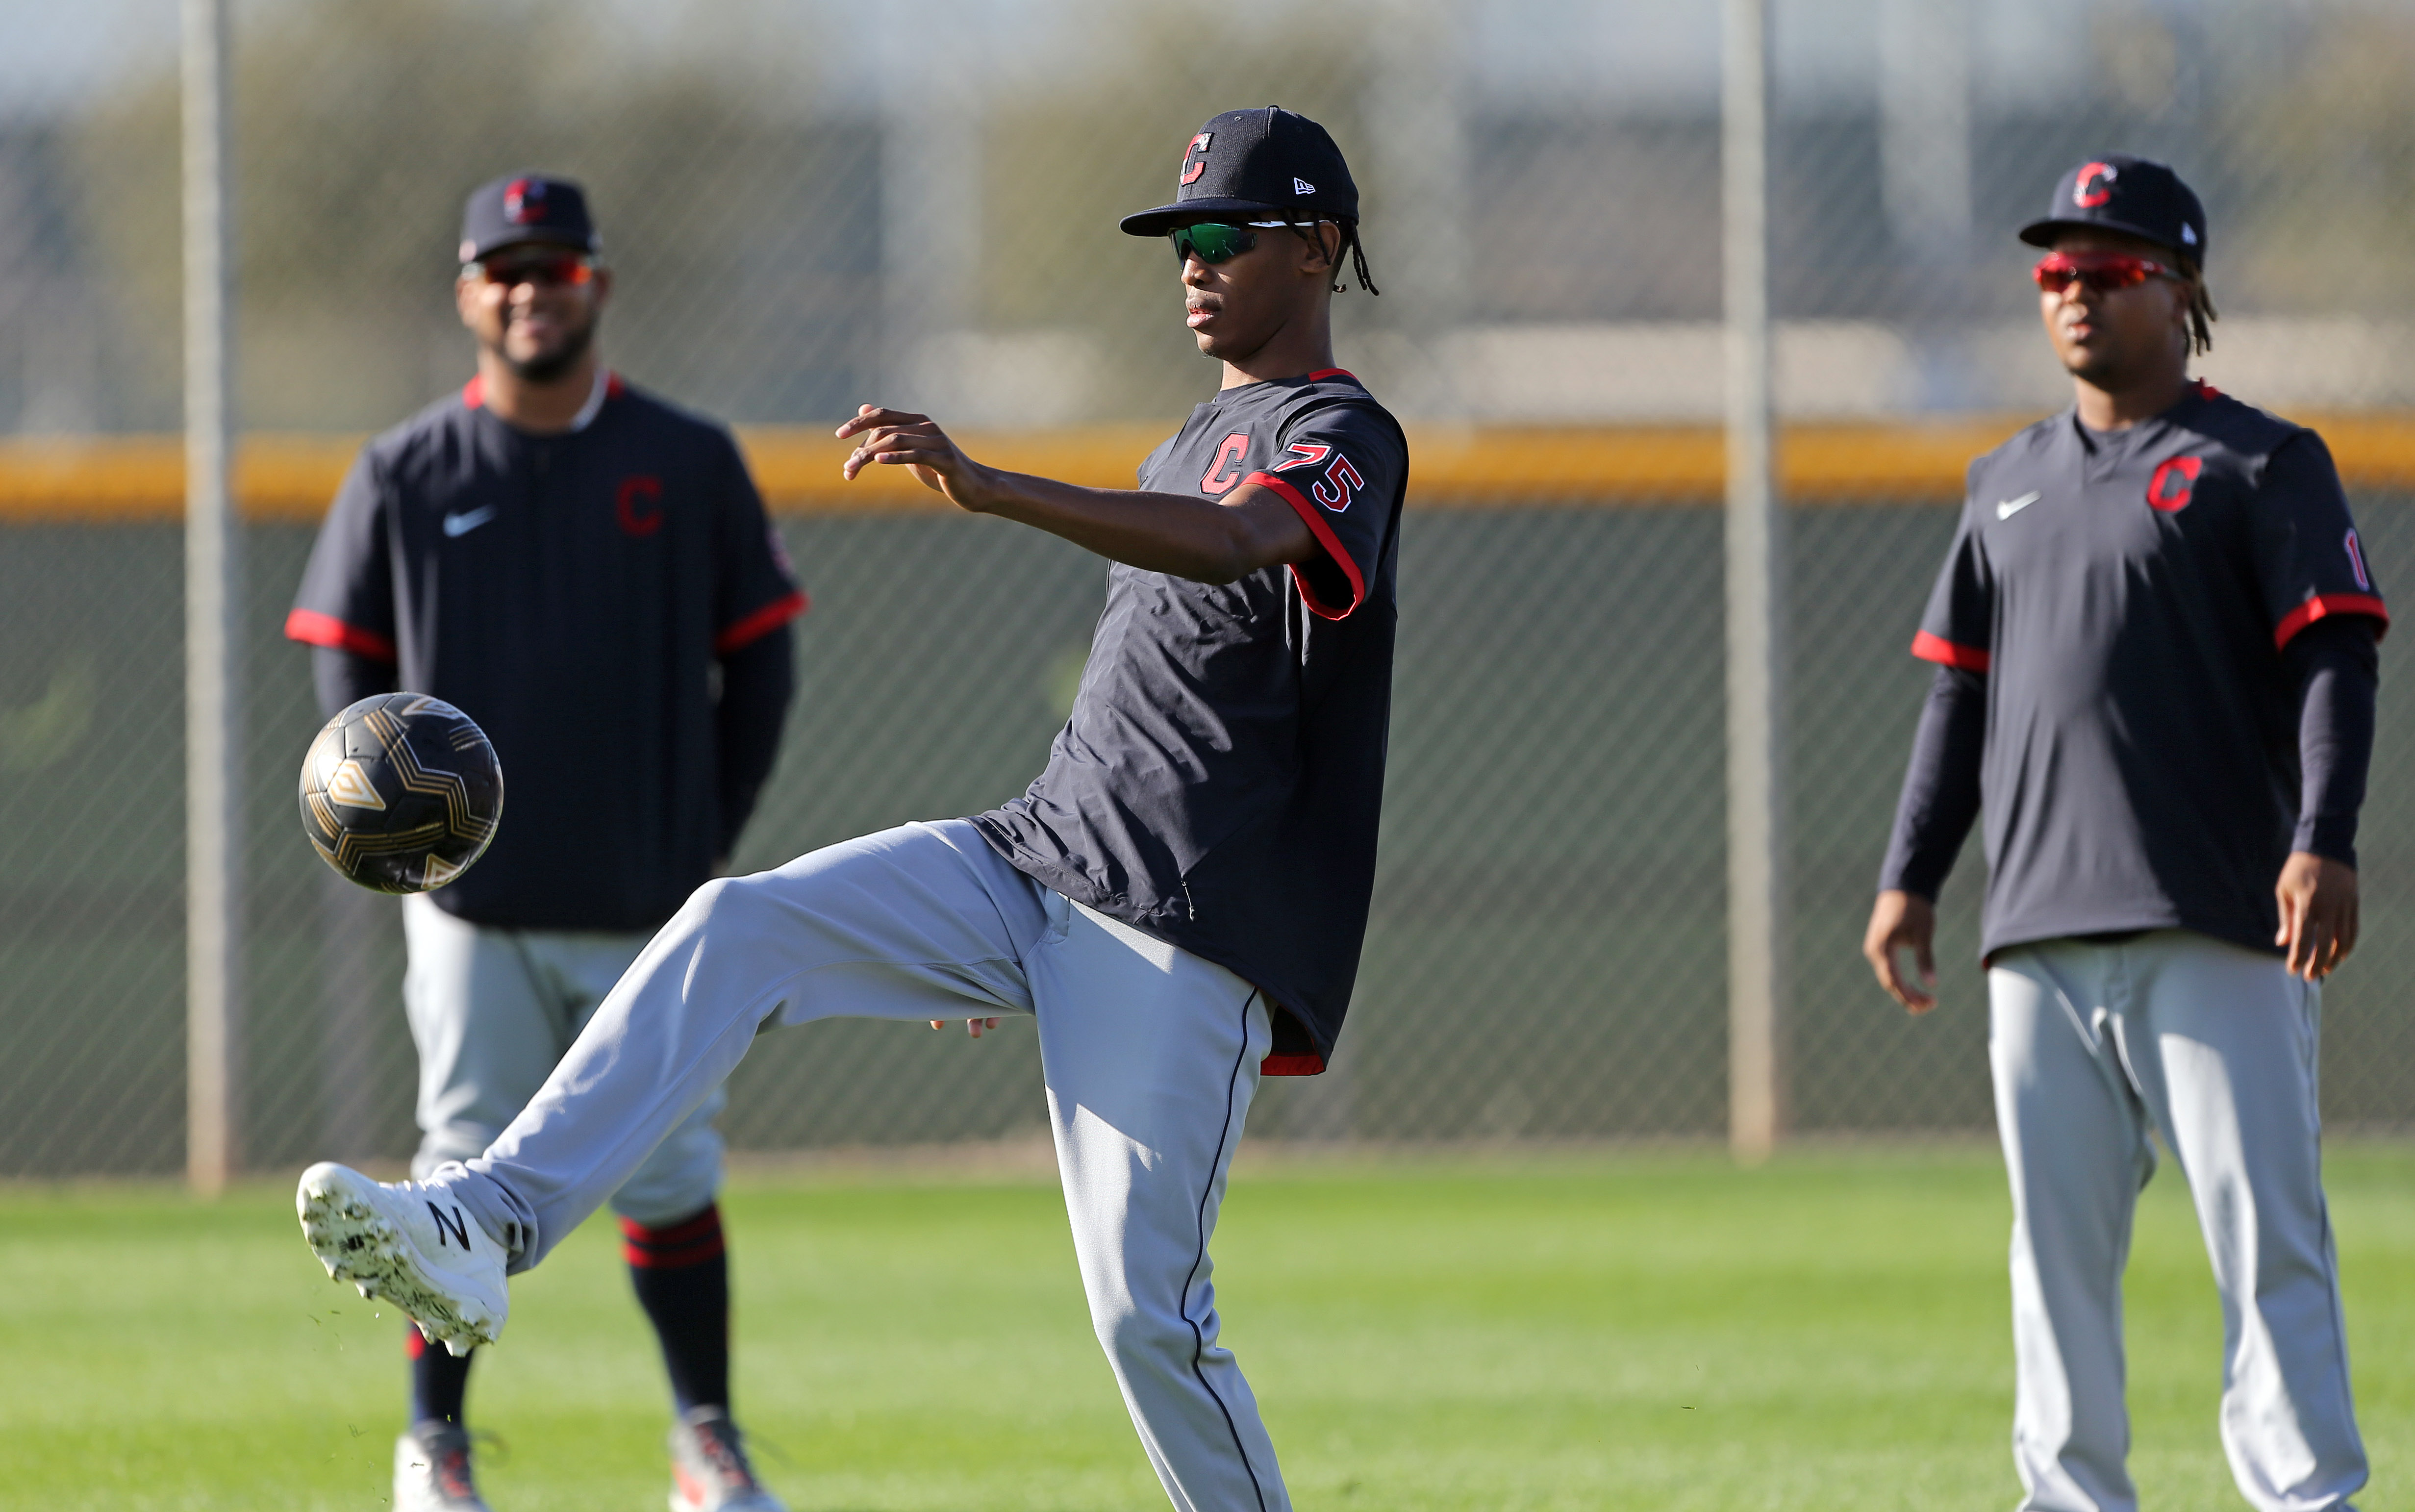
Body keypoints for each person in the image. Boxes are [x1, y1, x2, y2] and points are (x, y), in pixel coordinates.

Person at [295, 106, 1402, 1512]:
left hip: (1185, 925)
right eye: (1175, 241)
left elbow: (1251, 540)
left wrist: (993, 485)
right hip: (1042, 860)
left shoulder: (1342, 430)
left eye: (1218, 238)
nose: (1188, 264)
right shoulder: (1198, 429)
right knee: (737, 924)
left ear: (1317, 247)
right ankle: (486, 1217)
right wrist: (993, 932)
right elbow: (1146, 709)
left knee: (1148, 1319)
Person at [1862, 155, 2383, 1512]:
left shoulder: (2262, 463)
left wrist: (2324, 836)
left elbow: (2337, 659)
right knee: (2057, 1255)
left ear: (2183, 287)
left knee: (2267, 1237)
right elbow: (1958, 694)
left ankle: (2304, 1492)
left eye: (2110, 269)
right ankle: (2074, 1497)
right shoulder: (2005, 481)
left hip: (2217, 915)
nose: (2076, 293)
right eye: (2055, 271)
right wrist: (1910, 877)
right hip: (2036, 930)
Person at [286, 173, 805, 1512]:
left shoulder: (687, 460)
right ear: (468, 294)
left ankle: (706, 1438)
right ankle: (435, 1450)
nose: (531, 291)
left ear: (599, 287)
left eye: (554, 266)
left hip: (651, 902)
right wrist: (388, 836)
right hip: (475, 908)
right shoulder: (408, 469)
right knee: (454, 1169)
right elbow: (343, 666)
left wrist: (703, 840)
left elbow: (762, 666)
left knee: (676, 1173)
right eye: (503, 269)